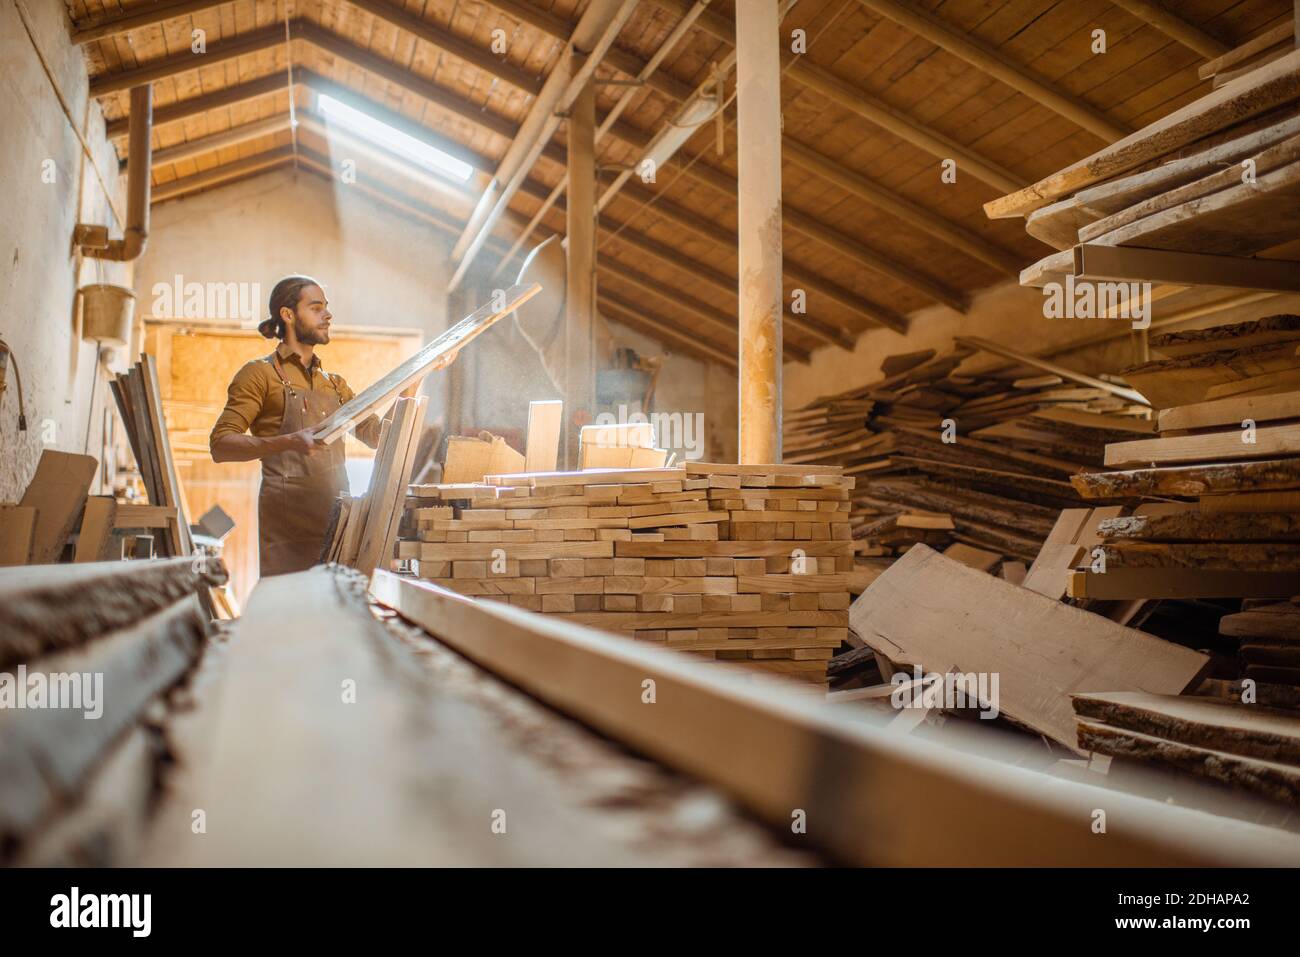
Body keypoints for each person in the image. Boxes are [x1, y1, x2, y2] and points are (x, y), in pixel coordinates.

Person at [209, 275, 381, 577]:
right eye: (316, 308)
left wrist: (416, 380)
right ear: (288, 315)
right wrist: (289, 441)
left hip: (338, 528)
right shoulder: (259, 375)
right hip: (287, 535)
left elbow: (377, 437)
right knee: (288, 615)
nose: (327, 315)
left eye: (326, 307)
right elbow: (221, 445)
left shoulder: (336, 385)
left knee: (335, 613)